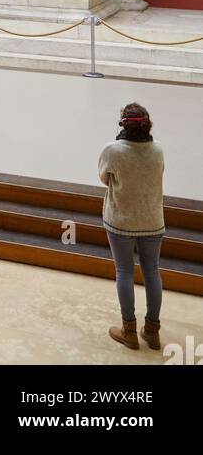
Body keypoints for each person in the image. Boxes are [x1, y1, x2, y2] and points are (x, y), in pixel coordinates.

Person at [98, 102, 165, 351]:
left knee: (124, 272)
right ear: (147, 123)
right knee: (152, 272)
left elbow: (105, 178)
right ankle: (152, 332)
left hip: (121, 221)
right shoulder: (158, 150)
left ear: (123, 124)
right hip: (152, 221)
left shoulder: (113, 150)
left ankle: (129, 332)